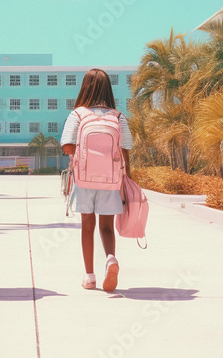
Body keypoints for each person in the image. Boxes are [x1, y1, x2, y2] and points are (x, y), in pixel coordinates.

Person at [61, 68, 132, 292]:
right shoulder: (118, 116)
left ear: (85, 88)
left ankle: (89, 276)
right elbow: (126, 147)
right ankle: (110, 259)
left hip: (84, 179)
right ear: (108, 89)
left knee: (87, 225)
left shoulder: (78, 114)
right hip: (110, 180)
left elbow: (66, 146)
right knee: (107, 227)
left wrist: (84, 154)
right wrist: (127, 178)